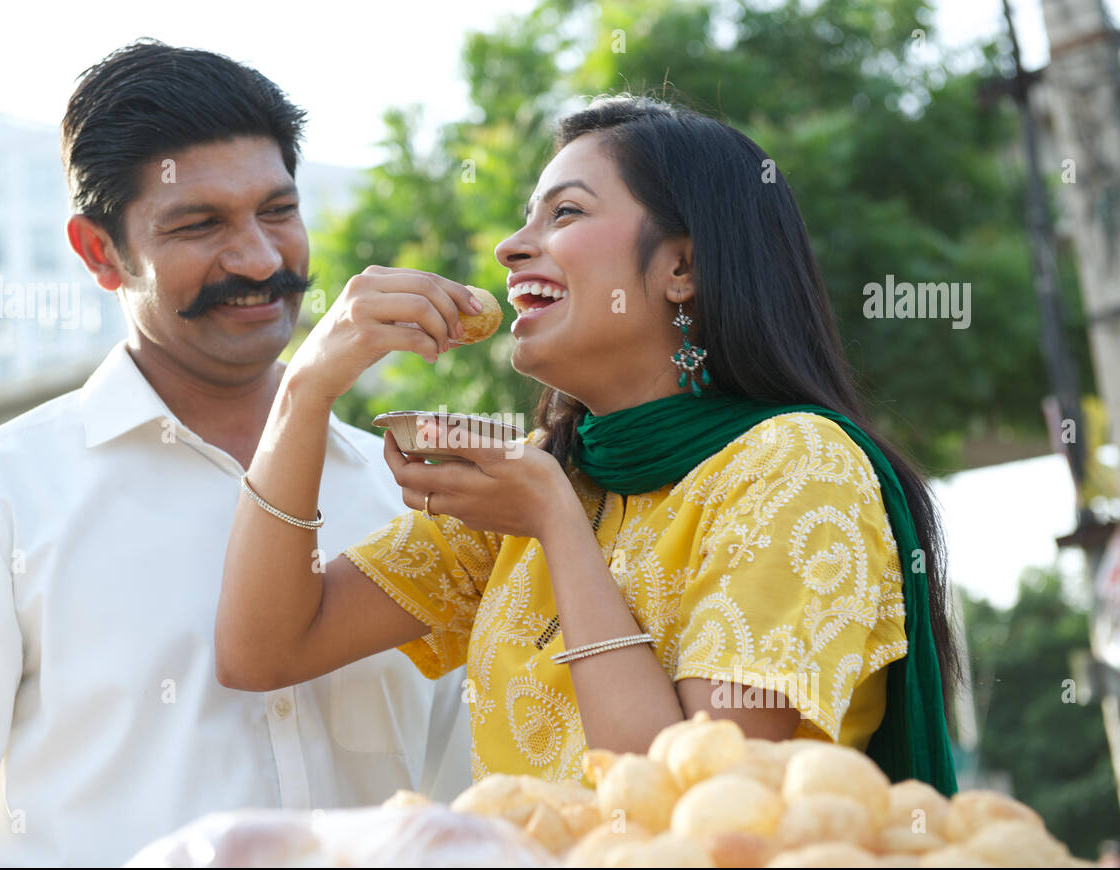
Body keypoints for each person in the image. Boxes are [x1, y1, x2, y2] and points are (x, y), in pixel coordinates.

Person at [0, 40, 470, 868]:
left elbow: (470, 800)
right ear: (99, 252)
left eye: (278, 211)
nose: (261, 260)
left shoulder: (406, 491)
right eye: (200, 224)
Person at [216, 95, 962, 793]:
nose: (511, 248)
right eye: (524, 219)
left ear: (682, 267)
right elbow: (267, 647)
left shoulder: (797, 463)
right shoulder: (551, 474)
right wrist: (306, 387)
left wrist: (556, 526)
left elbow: (692, 806)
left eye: (564, 212)